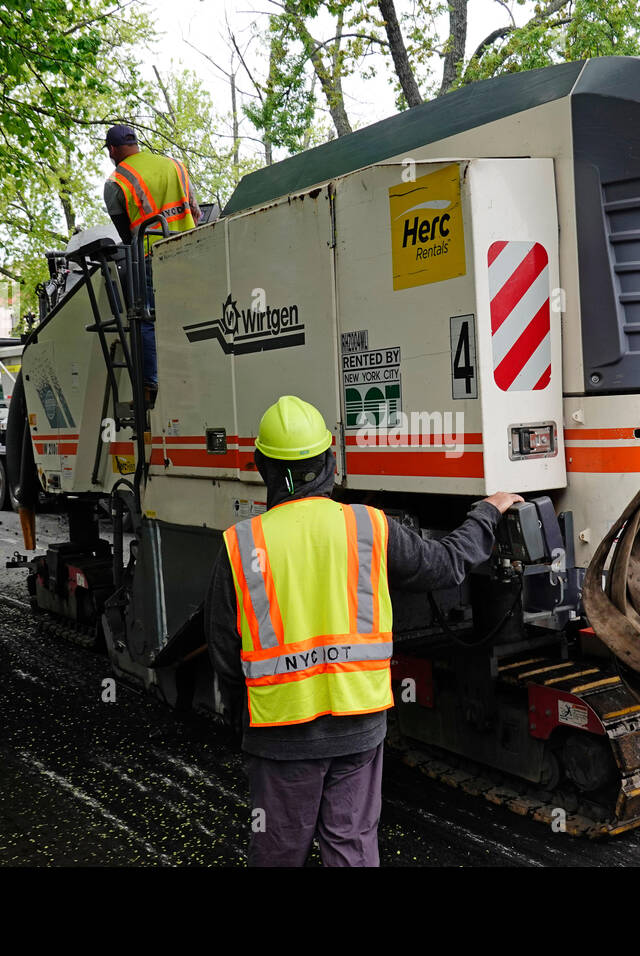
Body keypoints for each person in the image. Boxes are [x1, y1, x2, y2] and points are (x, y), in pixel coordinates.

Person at [204, 395, 523, 867]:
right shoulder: (368, 527)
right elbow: (446, 564)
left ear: (262, 467)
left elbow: (226, 658)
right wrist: (487, 513)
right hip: (359, 726)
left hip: (279, 734)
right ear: (330, 461)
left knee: (277, 851)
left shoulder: (241, 545)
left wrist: (243, 721)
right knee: (351, 846)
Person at [101, 124, 200, 399]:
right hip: (191, 249)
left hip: (151, 256)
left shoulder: (117, 181)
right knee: (191, 314)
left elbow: (125, 235)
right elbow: (195, 211)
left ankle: (151, 383)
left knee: (146, 317)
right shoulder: (176, 165)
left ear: (112, 150)